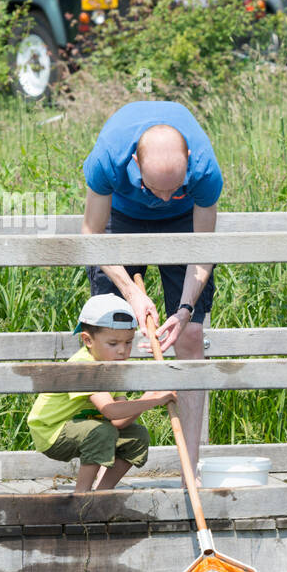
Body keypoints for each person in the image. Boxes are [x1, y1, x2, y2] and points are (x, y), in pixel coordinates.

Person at [82, 100, 223, 471]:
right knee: (109, 329)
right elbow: (92, 235)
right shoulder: (108, 158)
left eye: (172, 188)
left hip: (183, 222)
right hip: (121, 216)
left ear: (189, 161)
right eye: (154, 188)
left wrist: (185, 309)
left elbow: (202, 250)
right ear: (134, 166)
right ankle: (99, 456)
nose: (162, 198)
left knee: (191, 335)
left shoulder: (206, 171)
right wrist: (130, 291)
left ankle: (189, 467)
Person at [27, 294, 177, 493]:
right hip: (52, 432)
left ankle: (102, 493)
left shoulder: (116, 367)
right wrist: (152, 399)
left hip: (86, 428)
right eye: (113, 344)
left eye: (128, 342)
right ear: (88, 340)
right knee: (101, 432)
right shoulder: (85, 366)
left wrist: (150, 398)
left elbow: (119, 421)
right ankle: (82, 497)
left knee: (137, 436)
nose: (122, 351)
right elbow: (111, 412)